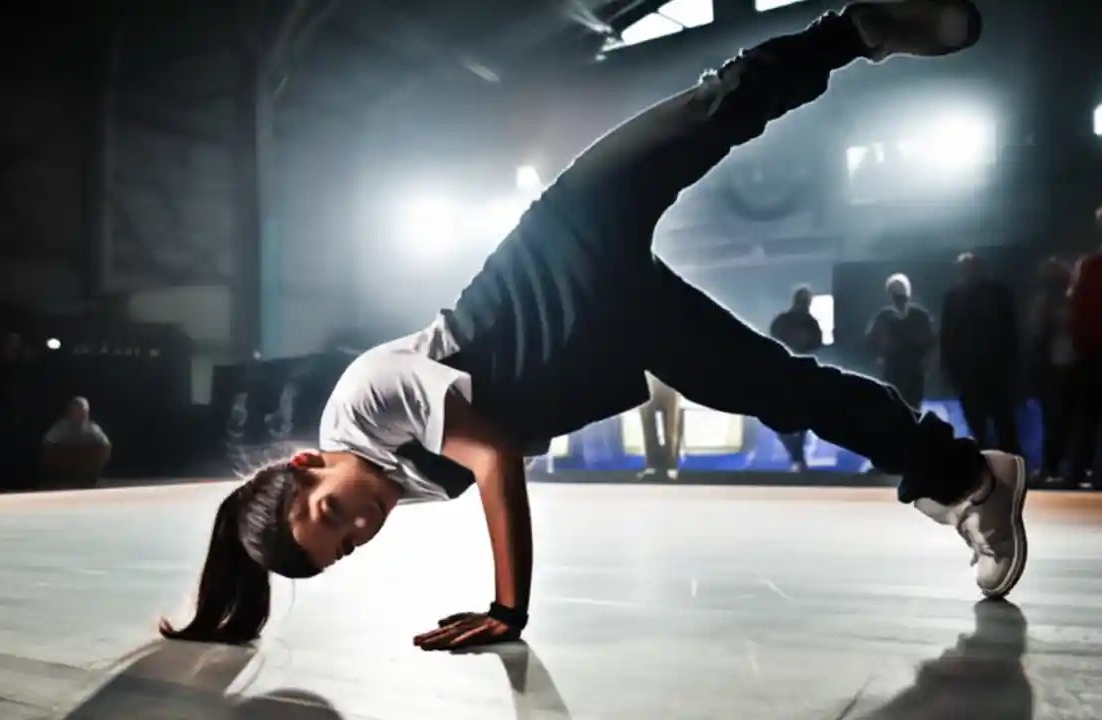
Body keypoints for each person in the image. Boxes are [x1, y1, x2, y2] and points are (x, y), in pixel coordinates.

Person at [162, 1, 1028, 652]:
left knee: (711, 111)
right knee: (788, 390)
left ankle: (859, 28)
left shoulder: (361, 406)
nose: (361, 526)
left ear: (309, 464)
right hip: (620, 329)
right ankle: (968, 479)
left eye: (331, 512)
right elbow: (511, 431)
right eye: (346, 545)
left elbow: (496, 457)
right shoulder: (397, 482)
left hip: (563, 242)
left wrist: (508, 609)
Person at [940, 253, 1021, 453]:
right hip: (976, 369)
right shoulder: (994, 293)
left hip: (988, 368)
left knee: (998, 419)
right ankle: (997, 459)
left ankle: (1001, 459)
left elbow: (1011, 331)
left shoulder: (961, 296)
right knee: (987, 420)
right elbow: (947, 334)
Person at [1028, 258, 1076, 483]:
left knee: (1069, 419)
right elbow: (1037, 336)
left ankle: (1067, 465)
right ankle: (1053, 464)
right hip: (1053, 367)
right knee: (1053, 419)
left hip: (1074, 366)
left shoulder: (1076, 301)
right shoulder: (1043, 304)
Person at [769, 285, 824, 471]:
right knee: (793, 419)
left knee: (792, 419)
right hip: (794, 374)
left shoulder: (787, 321)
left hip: (790, 374)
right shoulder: (807, 322)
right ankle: (798, 457)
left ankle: (797, 457)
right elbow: (816, 344)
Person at [867, 273, 934, 410]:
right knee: (894, 404)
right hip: (892, 368)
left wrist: (929, 361)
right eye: (894, 291)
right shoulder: (883, 316)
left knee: (914, 405)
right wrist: (881, 350)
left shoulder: (919, 315)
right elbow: (871, 339)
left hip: (914, 369)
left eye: (901, 290)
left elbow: (931, 340)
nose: (898, 295)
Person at [1067, 243, 1102, 488]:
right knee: (1087, 416)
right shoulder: (1090, 265)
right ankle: (1082, 469)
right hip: (1091, 351)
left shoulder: (1089, 265)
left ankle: (1079, 470)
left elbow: (1076, 308)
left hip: (1090, 352)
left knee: (1088, 417)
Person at [41, 396, 112, 488]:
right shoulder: (60, 427)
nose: (80, 415)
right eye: (76, 411)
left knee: (100, 448)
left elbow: (105, 444)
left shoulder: (92, 428)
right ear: (70, 412)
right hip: (63, 469)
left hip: (86, 469)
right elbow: (47, 443)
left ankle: (88, 479)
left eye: (83, 412)